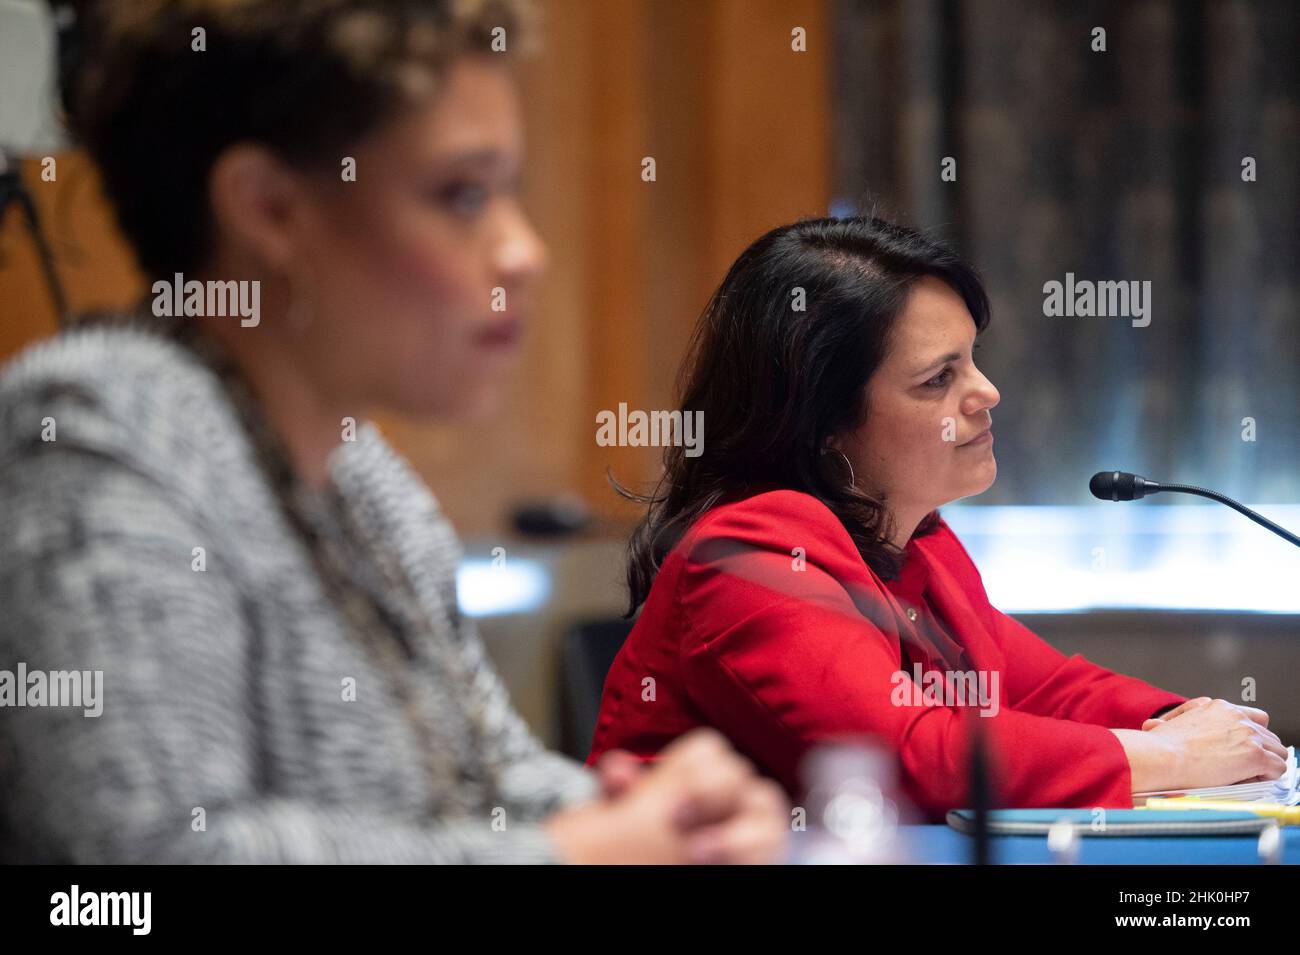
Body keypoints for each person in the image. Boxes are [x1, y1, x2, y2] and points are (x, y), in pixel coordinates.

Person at [0, 0, 788, 864]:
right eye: (462, 194)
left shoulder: (363, 473)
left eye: (509, 192)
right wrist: (578, 853)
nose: (524, 252)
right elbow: (140, 865)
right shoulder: (92, 443)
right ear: (268, 209)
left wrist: (664, 815)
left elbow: (489, 779)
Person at [587, 215, 1288, 819]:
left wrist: (1197, 725)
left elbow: (1047, 689)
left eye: (972, 361)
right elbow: (905, 754)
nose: (988, 391)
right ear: (823, 423)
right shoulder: (747, 555)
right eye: (938, 378)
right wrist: (1170, 755)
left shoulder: (915, 539)